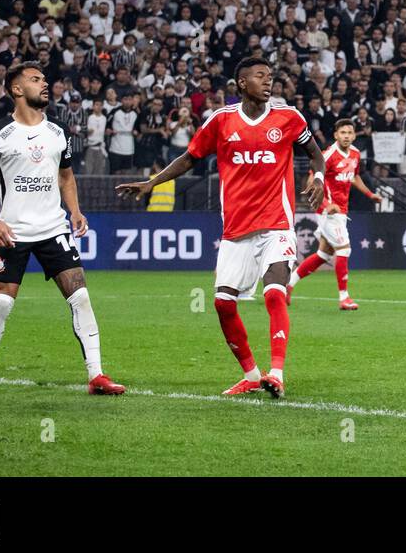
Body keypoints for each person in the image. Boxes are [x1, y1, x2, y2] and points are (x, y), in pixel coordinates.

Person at [117, 57, 323, 398]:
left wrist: (317, 176)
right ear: (242, 83)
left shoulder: (288, 117)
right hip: (236, 230)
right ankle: (252, 375)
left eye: (271, 77)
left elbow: (315, 154)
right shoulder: (221, 121)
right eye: (261, 76)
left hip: (277, 223)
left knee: (275, 291)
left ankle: (276, 373)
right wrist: (152, 182)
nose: (269, 81)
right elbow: (189, 158)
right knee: (223, 303)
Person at [0, 63, 124, 396]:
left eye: (44, 78)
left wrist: (75, 211)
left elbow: (66, 175)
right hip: (14, 233)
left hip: (54, 229)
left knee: (80, 297)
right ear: (17, 89)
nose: (45, 83)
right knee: (1, 305)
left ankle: (97, 376)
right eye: (36, 79)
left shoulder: (58, 132)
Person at [287, 118, 382, 309]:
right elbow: (311, 181)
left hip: (341, 210)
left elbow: (353, 177)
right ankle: (344, 297)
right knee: (344, 249)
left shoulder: (355, 154)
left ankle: (288, 285)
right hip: (328, 211)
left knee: (323, 254)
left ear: (354, 135)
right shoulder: (328, 155)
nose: (346, 136)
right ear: (335, 135)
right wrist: (326, 203)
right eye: (342, 133)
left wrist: (370, 194)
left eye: (349, 133)